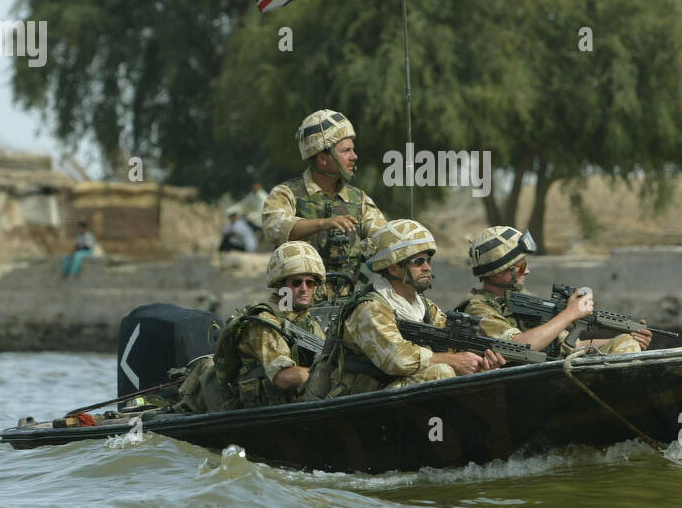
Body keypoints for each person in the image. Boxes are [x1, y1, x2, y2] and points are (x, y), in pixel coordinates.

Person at [318, 219, 505, 398]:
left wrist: (480, 363)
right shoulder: (370, 309)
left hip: (395, 398)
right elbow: (397, 359)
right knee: (440, 372)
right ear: (393, 268)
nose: (427, 268)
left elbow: (454, 348)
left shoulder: (424, 307)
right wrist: (453, 360)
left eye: (428, 261)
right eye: (418, 262)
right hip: (357, 403)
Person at [179, 242, 327, 412]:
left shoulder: (305, 322)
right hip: (249, 412)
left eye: (310, 283)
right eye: (296, 283)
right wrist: (329, 376)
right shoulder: (263, 322)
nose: (304, 289)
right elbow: (283, 377)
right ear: (280, 284)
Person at [455, 226, 651, 355]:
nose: (528, 271)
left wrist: (621, 339)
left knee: (626, 345)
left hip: (545, 378)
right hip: (513, 387)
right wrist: (569, 314)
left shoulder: (522, 300)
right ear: (497, 271)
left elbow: (571, 347)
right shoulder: (478, 309)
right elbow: (518, 345)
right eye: (521, 266)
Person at [262, 109, 387, 299]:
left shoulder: (358, 200)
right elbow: (274, 228)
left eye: (353, 149)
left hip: (345, 304)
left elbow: (384, 237)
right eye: (346, 151)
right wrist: (324, 224)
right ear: (322, 158)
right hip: (293, 304)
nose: (354, 156)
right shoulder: (286, 194)